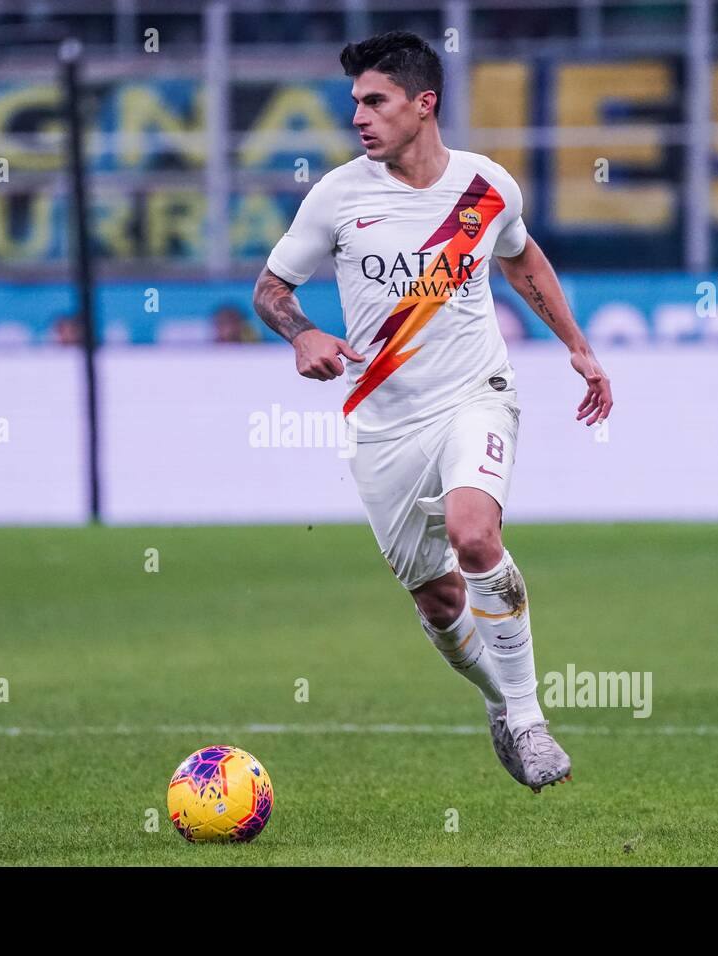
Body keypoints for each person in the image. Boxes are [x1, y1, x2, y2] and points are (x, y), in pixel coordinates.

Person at [252, 31, 613, 794]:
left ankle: (529, 715)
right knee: (441, 601)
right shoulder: (338, 197)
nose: (359, 117)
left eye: (374, 101)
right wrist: (304, 331)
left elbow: (521, 258)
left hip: (475, 394)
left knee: (476, 535)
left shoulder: (487, 189)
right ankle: (498, 702)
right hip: (383, 425)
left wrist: (578, 347)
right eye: (354, 103)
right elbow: (271, 289)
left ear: (425, 104)